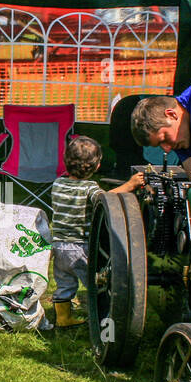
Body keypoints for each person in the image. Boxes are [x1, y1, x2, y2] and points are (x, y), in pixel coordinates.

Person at [50, 136, 144, 328]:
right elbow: (107, 199)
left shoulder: (57, 184)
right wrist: (131, 185)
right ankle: (103, 316)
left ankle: (63, 317)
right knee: (96, 283)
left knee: (65, 283)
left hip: (58, 245)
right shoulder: (90, 188)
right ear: (97, 166)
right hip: (80, 247)